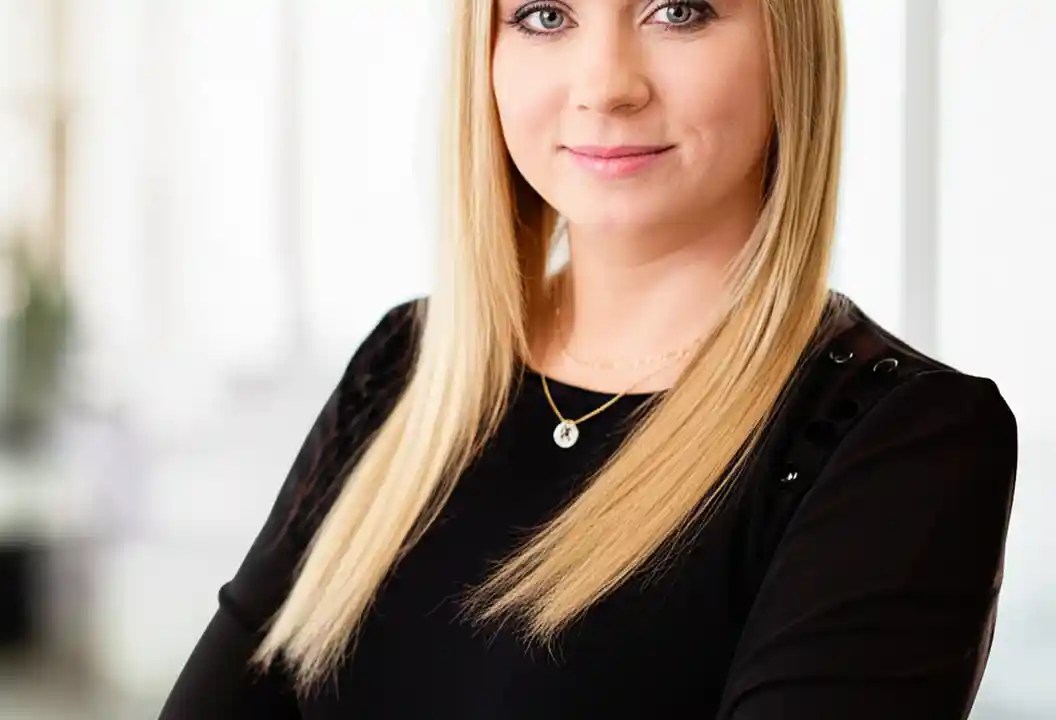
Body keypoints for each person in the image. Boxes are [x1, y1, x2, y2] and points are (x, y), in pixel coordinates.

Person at [158, 0, 1020, 717]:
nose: (607, 85)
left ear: (789, 44)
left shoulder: (902, 441)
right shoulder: (405, 367)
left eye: (679, 10)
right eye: (542, 15)